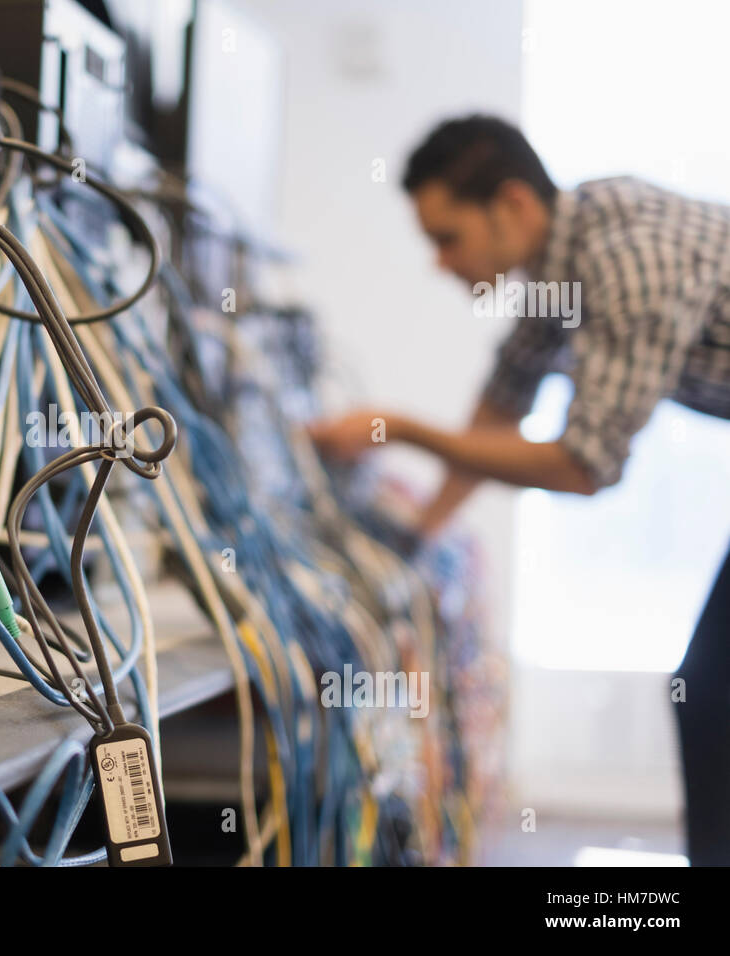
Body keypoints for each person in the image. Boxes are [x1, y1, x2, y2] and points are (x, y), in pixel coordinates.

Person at [307, 115, 730, 865]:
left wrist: (400, 429)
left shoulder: (627, 257)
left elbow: (585, 465)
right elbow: (502, 408)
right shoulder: (560, 270)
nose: (440, 262)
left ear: (512, 206)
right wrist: (418, 533)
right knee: (709, 695)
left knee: (712, 694)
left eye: (447, 237)